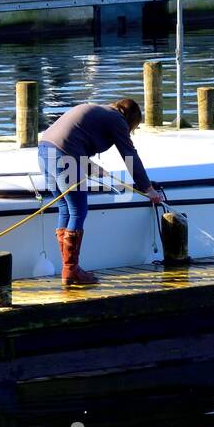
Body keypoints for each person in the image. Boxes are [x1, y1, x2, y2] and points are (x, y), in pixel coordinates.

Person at [37, 98, 164, 286]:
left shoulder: (100, 111)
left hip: (44, 151)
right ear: (130, 120)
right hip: (64, 155)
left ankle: (69, 269)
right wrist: (148, 188)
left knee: (65, 209)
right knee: (78, 210)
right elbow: (130, 155)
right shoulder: (117, 120)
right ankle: (71, 270)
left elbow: (76, 136)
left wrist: (89, 166)